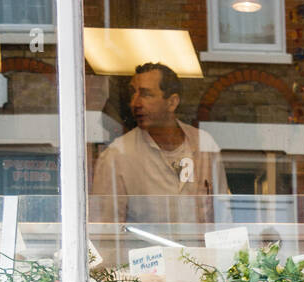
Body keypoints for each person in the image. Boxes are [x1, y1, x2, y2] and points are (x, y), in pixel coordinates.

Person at [90, 62, 228, 232]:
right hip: (145, 257)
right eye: (133, 94)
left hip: (199, 258)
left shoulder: (205, 146)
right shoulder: (117, 156)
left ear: (172, 102)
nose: (135, 103)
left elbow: (223, 219)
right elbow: (105, 231)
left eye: (146, 94)